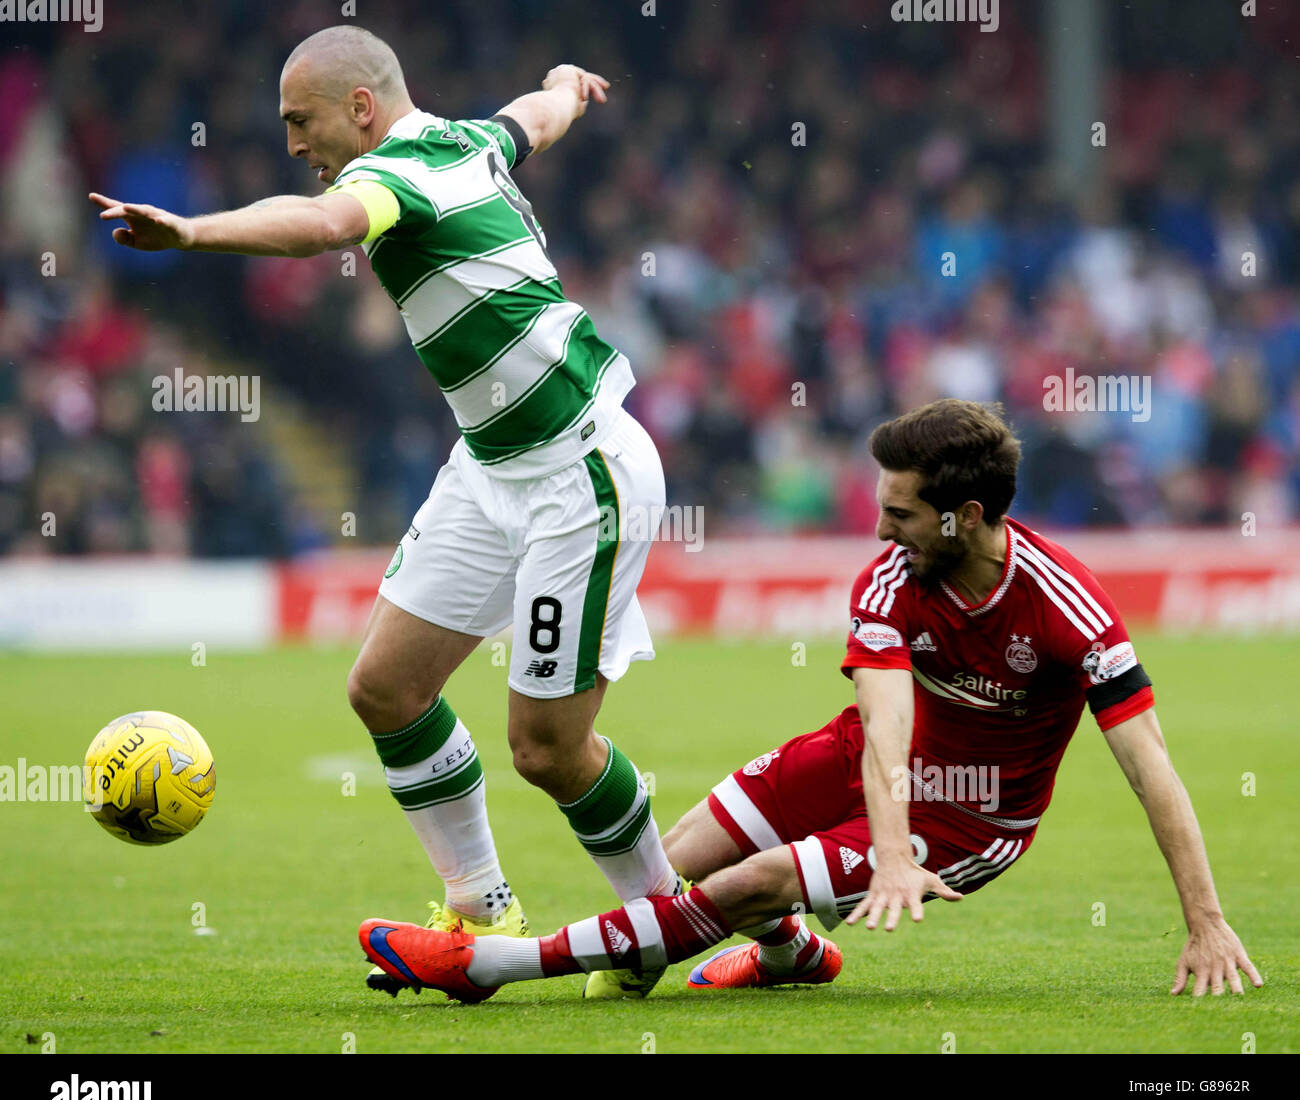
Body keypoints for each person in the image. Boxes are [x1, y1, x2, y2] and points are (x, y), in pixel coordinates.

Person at [91, 26, 684, 995]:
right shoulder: (469, 141)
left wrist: (196, 233)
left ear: (360, 108)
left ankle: (661, 919)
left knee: (547, 746)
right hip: (491, 469)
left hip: (582, 473)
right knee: (385, 689)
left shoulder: (398, 176)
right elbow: (532, 118)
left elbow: (324, 224)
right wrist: (565, 83)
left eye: (301, 120)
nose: (293, 143)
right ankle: (482, 909)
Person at [360, 399, 1264, 1002]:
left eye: (902, 513)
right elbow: (886, 730)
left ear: (970, 514)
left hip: (968, 819)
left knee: (744, 884)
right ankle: (793, 950)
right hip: (861, 758)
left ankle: (491, 965)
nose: (879, 529)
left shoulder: (1071, 611)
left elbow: (1152, 771)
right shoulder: (889, 580)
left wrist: (1208, 923)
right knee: (671, 865)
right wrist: (883, 849)